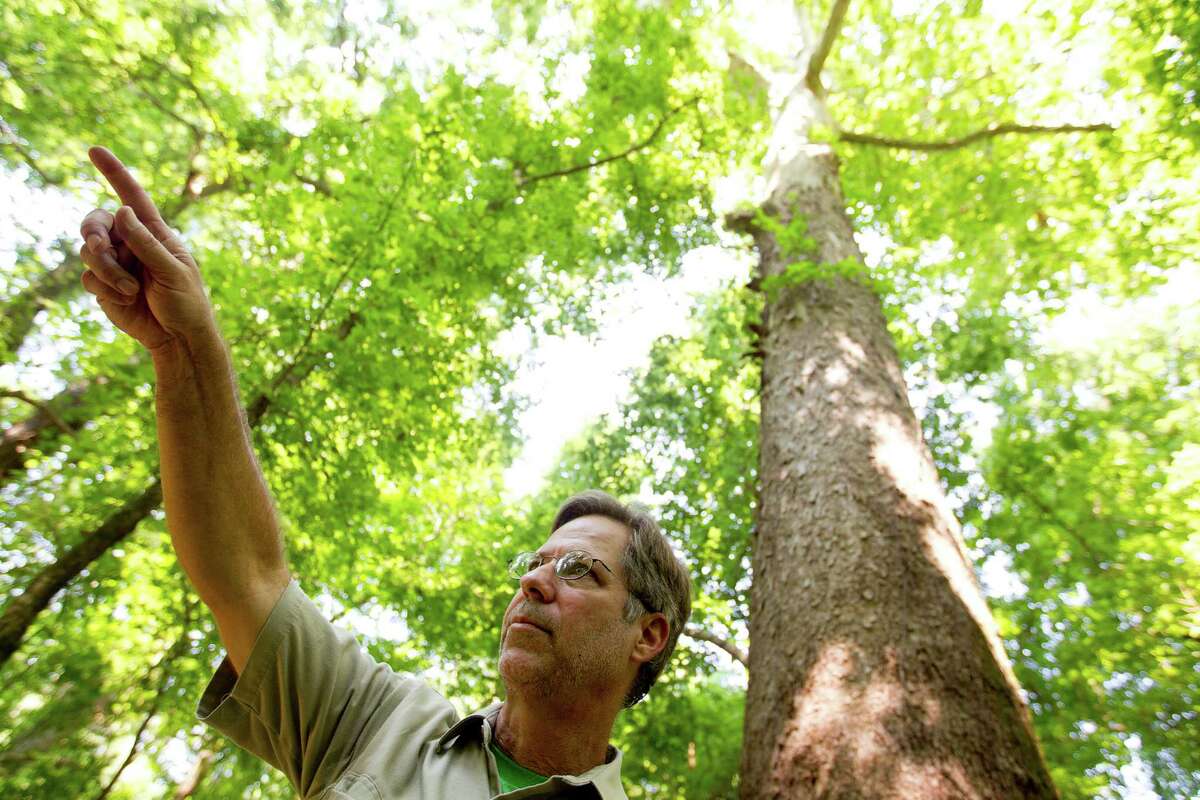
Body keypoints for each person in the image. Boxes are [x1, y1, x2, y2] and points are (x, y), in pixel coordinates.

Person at [77, 146, 693, 799]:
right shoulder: (378, 722)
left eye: (578, 570)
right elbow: (246, 578)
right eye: (535, 563)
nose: (533, 582)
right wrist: (182, 343)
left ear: (648, 634)